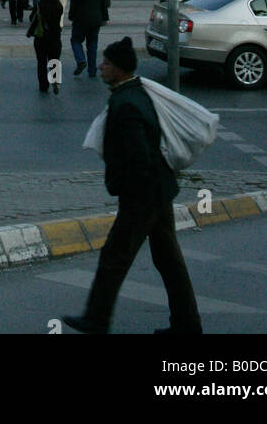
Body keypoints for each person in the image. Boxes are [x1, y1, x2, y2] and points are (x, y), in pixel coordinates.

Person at [62, 36, 202, 336]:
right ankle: (187, 325)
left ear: (120, 70)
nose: (101, 67)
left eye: (107, 63)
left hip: (144, 195)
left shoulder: (126, 104)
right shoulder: (136, 92)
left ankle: (97, 319)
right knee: (169, 261)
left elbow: (138, 156)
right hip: (158, 190)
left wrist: (132, 196)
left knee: (115, 257)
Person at [68, 0, 110, 76]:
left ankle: (81, 60)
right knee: (92, 45)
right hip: (95, 20)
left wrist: (71, 16)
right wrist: (105, 18)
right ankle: (92, 70)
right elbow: (104, 4)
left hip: (80, 20)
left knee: (75, 41)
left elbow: (74, 4)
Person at [27, 0, 63, 93]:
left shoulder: (40, 6)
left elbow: (31, 18)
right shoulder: (59, 6)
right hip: (55, 37)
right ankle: (55, 81)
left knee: (41, 62)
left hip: (41, 38)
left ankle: (43, 85)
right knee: (54, 60)